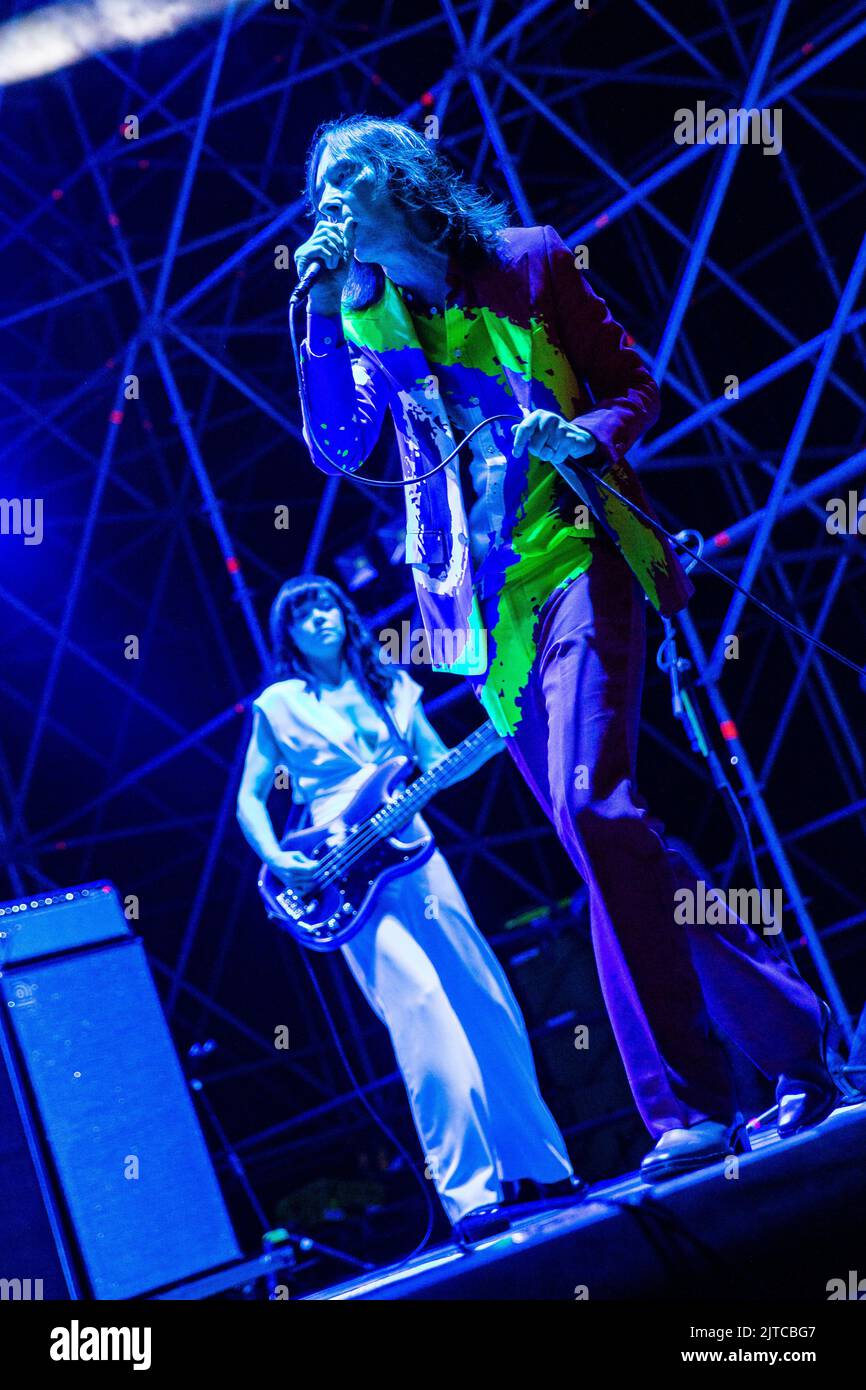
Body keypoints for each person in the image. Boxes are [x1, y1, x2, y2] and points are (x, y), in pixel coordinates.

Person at [290, 115, 838, 1182]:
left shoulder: (529, 261)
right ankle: (797, 1042)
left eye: (350, 171)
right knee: (616, 843)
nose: (333, 194)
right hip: (488, 621)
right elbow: (340, 445)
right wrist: (314, 313)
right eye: (319, 185)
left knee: (596, 810)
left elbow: (633, 381)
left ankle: (683, 1105)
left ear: (402, 180)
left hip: (583, 551)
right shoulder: (366, 315)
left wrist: (581, 435)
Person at [236, 574, 579, 1244]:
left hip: (416, 856)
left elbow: (433, 763)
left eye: (326, 604)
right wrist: (279, 860)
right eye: (301, 613)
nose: (318, 618)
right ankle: (472, 1197)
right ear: (290, 637)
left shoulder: (392, 684)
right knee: (421, 1009)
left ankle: (545, 1169)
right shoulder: (278, 704)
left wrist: (493, 734)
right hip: (340, 875)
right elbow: (250, 797)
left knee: (485, 1000)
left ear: (345, 615)